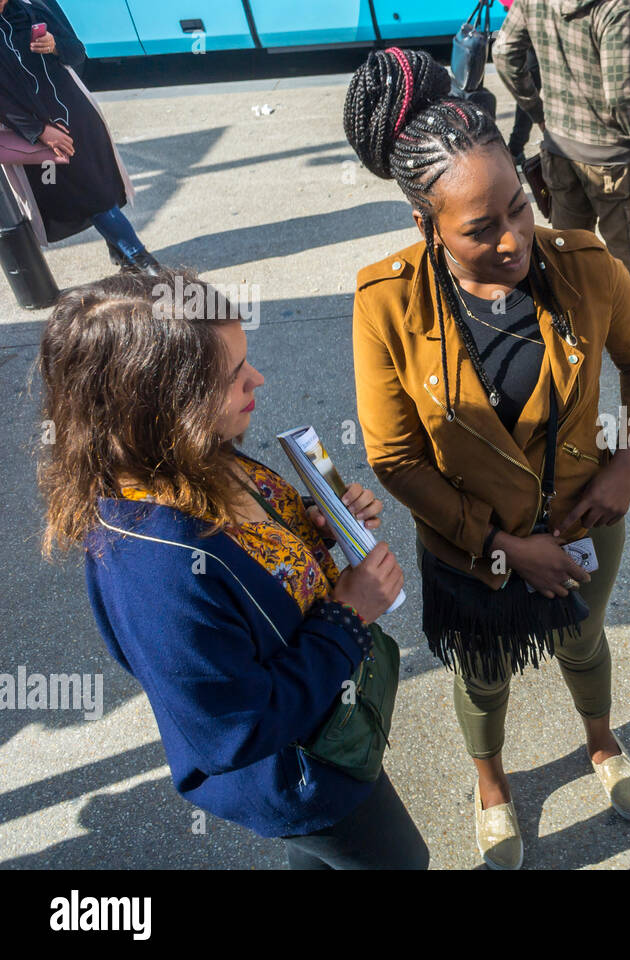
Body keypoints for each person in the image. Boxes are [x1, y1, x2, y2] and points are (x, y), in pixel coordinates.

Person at [343, 48, 630, 870]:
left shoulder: (586, 266)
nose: (514, 240)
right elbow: (394, 457)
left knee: (583, 642)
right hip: (469, 545)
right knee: (483, 674)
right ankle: (492, 786)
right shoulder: (385, 304)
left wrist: (628, 459)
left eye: (517, 207)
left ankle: (601, 743)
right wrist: (500, 545)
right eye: (480, 229)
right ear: (427, 225)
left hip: (586, 518)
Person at [39, 269, 425, 869]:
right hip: (299, 772)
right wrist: (349, 616)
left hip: (321, 723)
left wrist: (313, 531)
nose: (257, 379)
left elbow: (256, 558)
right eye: (231, 377)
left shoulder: (190, 453)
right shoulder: (156, 569)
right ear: (162, 406)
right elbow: (233, 731)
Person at [493, 0, 630, 345]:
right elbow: (622, 94)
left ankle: (573, 331)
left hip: (560, 150)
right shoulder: (615, 8)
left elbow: (503, 53)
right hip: (615, 160)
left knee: (567, 252)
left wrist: (538, 110)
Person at [0, 0, 159, 273]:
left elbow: (77, 53)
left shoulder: (37, 5)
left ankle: (125, 254)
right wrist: (38, 131)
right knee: (88, 191)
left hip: (77, 114)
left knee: (97, 184)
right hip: (31, 128)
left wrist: (55, 45)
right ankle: (140, 258)